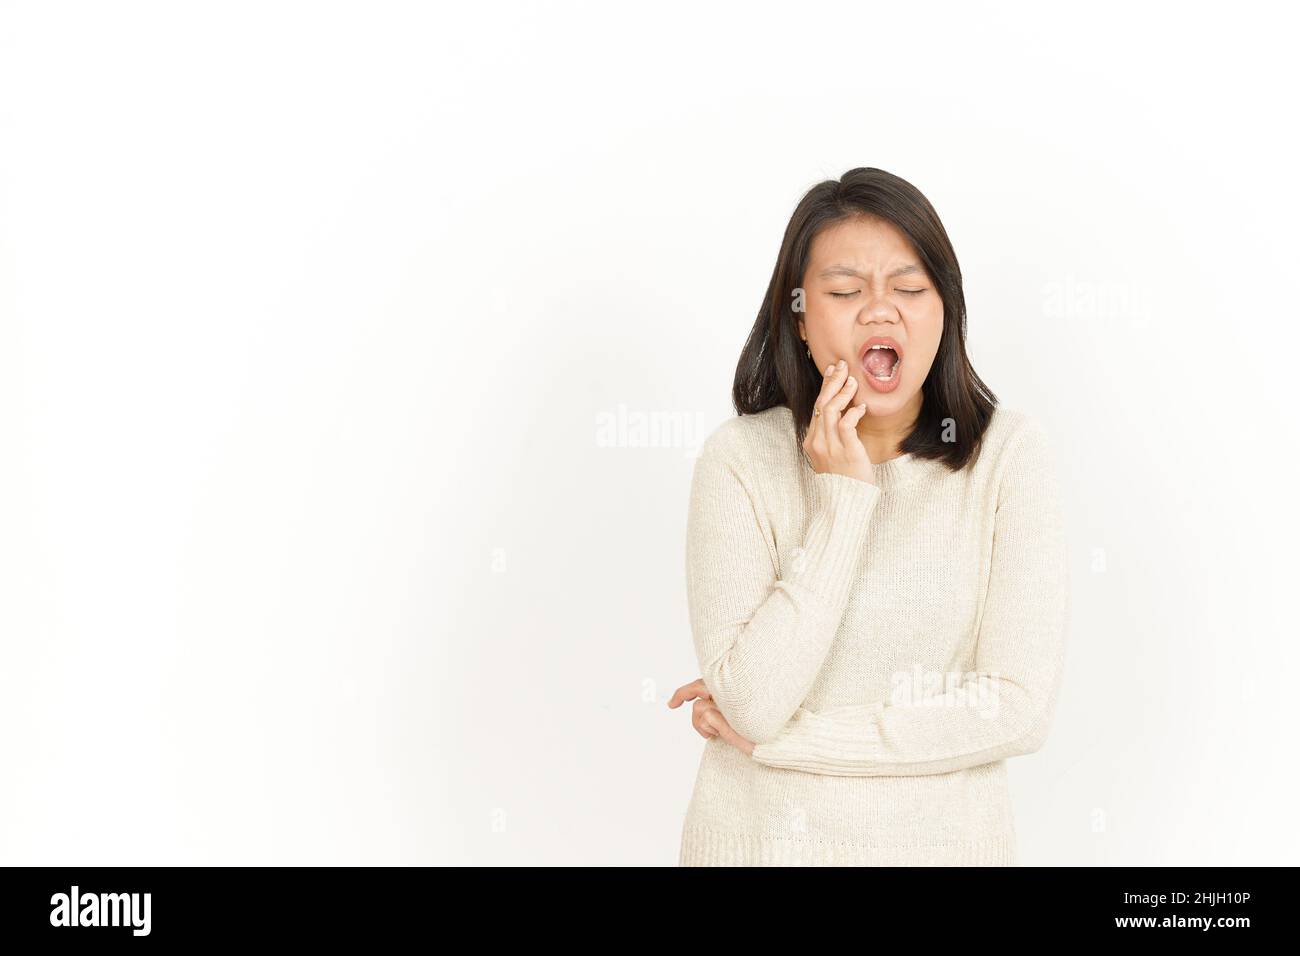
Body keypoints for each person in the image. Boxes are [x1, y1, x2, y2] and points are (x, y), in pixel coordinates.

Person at [667, 167, 1069, 866]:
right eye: (846, 291)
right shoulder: (738, 462)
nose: (880, 311)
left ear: (944, 309)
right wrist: (843, 500)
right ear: (798, 316)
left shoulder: (1009, 458)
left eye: (909, 289)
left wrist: (789, 745)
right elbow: (755, 703)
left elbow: (1015, 707)